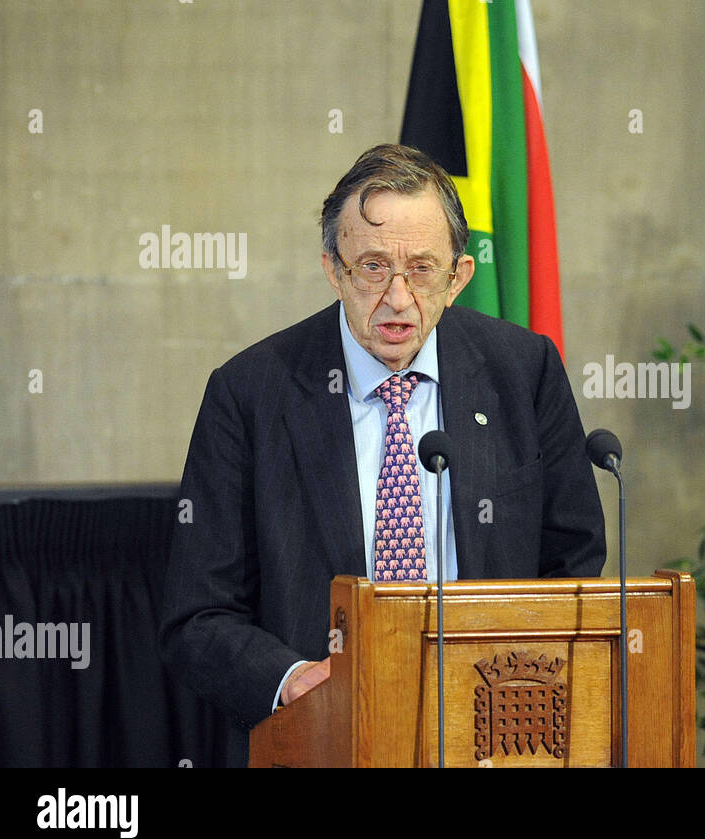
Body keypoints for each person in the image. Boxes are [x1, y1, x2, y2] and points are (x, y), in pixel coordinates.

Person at [159, 143, 605, 767]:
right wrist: (292, 681)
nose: (398, 298)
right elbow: (197, 615)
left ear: (459, 277)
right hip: (326, 739)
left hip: (497, 732)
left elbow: (573, 563)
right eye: (372, 267)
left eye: (422, 269)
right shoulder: (250, 392)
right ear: (332, 269)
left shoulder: (523, 372)